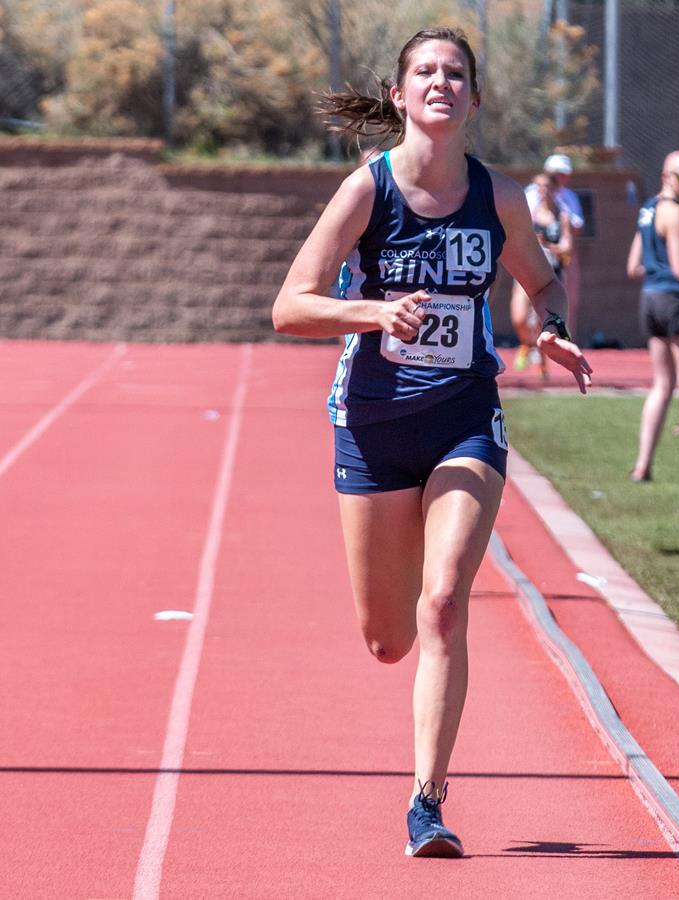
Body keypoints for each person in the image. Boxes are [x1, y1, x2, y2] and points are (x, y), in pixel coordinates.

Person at [273, 26, 593, 855]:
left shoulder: (500, 197)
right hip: (375, 426)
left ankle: (428, 800)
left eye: (455, 73)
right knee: (389, 640)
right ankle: (405, 625)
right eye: (426, 72)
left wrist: (549, 326)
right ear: (401, 95)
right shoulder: (366, 191)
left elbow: (541, 279)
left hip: (463, 416)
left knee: (445, 601)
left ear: (475, 99)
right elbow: (291, 306)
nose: (441, 83)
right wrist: (375, 311)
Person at [625, 151, 679, 482]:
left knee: (662, 383)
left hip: (651, 298)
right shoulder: (676, 213)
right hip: (677, 299)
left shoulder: (647, 210)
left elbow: (633, 267)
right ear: (668, 178)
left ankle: (643, 464)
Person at [510, 171, 574, 377]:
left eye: (546, 186)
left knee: (541, 321)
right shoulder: (530, 213)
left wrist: (548, 246)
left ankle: (542, 363)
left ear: (555, 189)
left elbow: (567, 248)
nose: (542, 191)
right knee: (519, 316)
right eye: (538, 186)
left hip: (550, 273)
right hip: (528, 268)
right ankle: (526, 344)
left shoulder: (561, 216)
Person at [527, 152, 586, 334]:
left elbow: (577, 226)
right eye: (558, 173)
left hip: (563, 257)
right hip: (535, 255)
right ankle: (533, 345)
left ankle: (567, 342)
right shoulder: (532, 193)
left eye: (565, 174)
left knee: (568, 302)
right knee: (529, 309)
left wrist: (561, 227)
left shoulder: (569, 197)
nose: (563, 178)